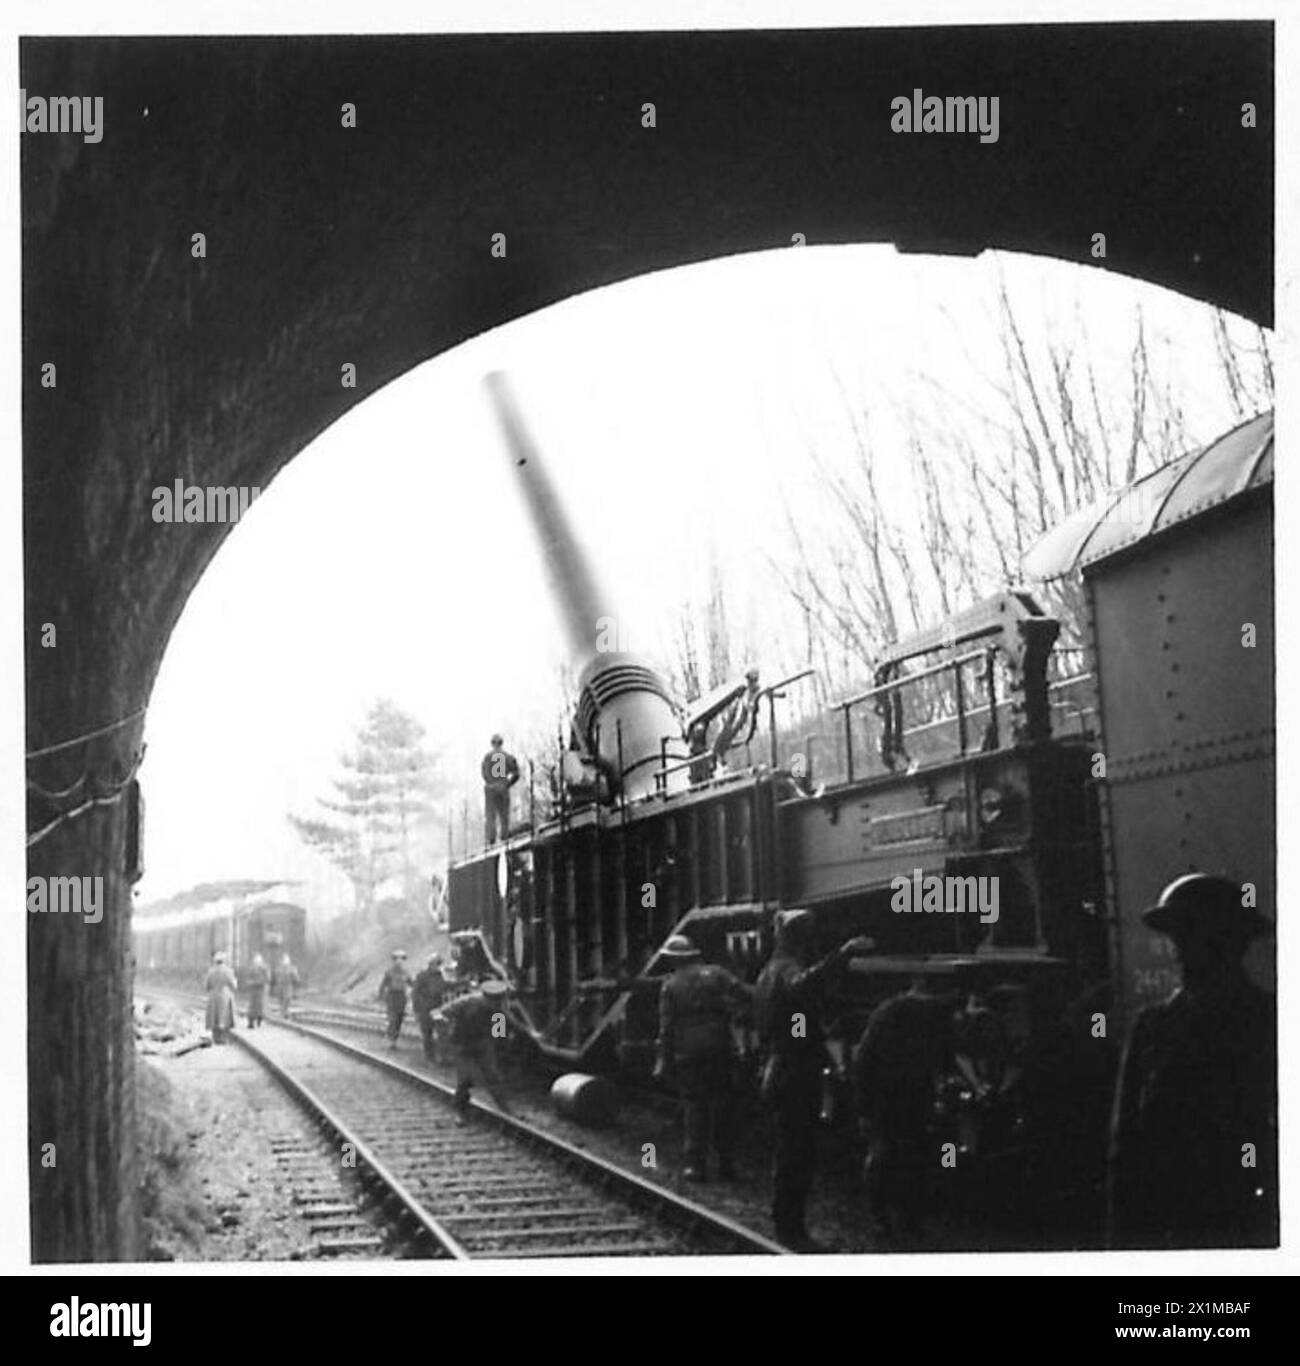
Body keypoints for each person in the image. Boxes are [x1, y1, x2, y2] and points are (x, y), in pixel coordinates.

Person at [1107, 873, 1276, 1250]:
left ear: (1229, 945)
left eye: (1192, 937)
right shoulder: (1150, 1028)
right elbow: (1125, 1155)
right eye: (1176, 938)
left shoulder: (1270, 1024)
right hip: (1165, 1226)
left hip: (1239, 1228)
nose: (1179, 951)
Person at [754, 909, 873, 1250]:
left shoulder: (768, 972)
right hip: (792, 1073)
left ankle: (787, 1223)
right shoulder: (785, 971)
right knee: (797, 1152)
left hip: (781, 1068)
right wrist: (843, 954)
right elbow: (803, 987)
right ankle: (792, 1230)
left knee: (791, 1150)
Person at [852, 975, 952, 1242]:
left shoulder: (921, 1015)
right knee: (886, 1156)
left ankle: (906, 1218)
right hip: (888, 1097)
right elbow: (864, 1060)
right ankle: (884, 1217)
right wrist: (864, 1107)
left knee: (912, 1158)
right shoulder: (891, 1015)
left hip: (912, 1096)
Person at [652, 934, 752, 1182]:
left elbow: (666, 1028)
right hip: (719, 1047)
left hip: (689, 1052)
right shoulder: (717, 973)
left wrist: (663, 1061)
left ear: (673, 960)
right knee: (723, 1105)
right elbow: (744, 993)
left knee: (695, 1107)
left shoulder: (670, 985)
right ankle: (726, 1163)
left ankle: (695, 1166)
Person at [442, 977, 514, 1121]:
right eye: (493, 1002)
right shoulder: (467, 1002)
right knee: (465, 1079)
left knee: (493, 1075)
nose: (495, 1005)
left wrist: (501, 1046)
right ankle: (460, 1112)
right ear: (486, 997)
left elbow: (499, 1036)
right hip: (462, 1044)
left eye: (498, 1002)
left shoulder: (498, 1011)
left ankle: (505, 1110)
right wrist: (454, 1026)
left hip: (482, 1043)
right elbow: (445, 1011)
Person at [482, 734, 521, 844]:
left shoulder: (487, 757)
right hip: (502, 788)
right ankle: (504, 837)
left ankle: (491, 840)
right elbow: (516, 773)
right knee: (504, 815)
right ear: (501, 743)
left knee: (490, 815)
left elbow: (484, 773)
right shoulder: (508, 756)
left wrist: (490, 782)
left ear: (492, 743)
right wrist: (508, 784)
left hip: (490, 789)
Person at [411, 953, 448, 1060]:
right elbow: (415, 993)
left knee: (442, 1032)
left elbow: (444, 987)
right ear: (431, 964)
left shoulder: (439, 976)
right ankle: (430, 1057)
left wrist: (461, 983)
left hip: (437, 1008)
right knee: (427, 1034)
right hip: (425, 1009)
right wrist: (417, 1009)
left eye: (439, 964)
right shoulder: (422, 976)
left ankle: (443, 1057)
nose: (438, 966)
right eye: (437, 963)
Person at [378, 949, 411, 1048]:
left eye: (401, 959)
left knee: (399, 1019)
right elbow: (383, 985)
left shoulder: (406, 972)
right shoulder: (389, 972)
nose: (399, 961)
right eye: (397, 959)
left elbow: (412, 983)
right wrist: (381, 995)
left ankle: (394, 1038)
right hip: (392, 997)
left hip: (402, 997)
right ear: (394, 960)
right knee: (393, 1018)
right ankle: (391, 1040)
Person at [204, 951, 238, 1044]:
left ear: (215, 961)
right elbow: (234, 985)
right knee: (224, 1017)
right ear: (224, 960)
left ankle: (216, 1038)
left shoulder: (210, 971)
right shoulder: (228, 971)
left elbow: (206, 985)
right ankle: (223, 1038)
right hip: (224, 996)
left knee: (214, 1017)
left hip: (213, 996)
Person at [245, 952, 270, 1028]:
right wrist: (250, 982)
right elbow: (248, 978)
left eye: (258, 961)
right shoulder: (251, 969)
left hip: (260, 990)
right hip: (253, 990)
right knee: (252, 1006)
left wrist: (260, 982)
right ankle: (251, 1022)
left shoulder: (264, 969)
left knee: (260, 1006)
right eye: (255, 961)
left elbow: (267, 978)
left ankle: (259, 1019)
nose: (256, 962)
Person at [271, 953, 300, 1017]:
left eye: (286, 960)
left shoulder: (292, 968)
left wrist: (294, 979)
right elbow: (275, 977)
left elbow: (296, 978)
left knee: (287, 999)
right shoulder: (279, 968)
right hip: (280, 986)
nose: (285, 962)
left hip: (288, 986)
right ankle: (283, 1013)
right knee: (282, 1000)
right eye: (284, 960)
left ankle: (285, 1013)